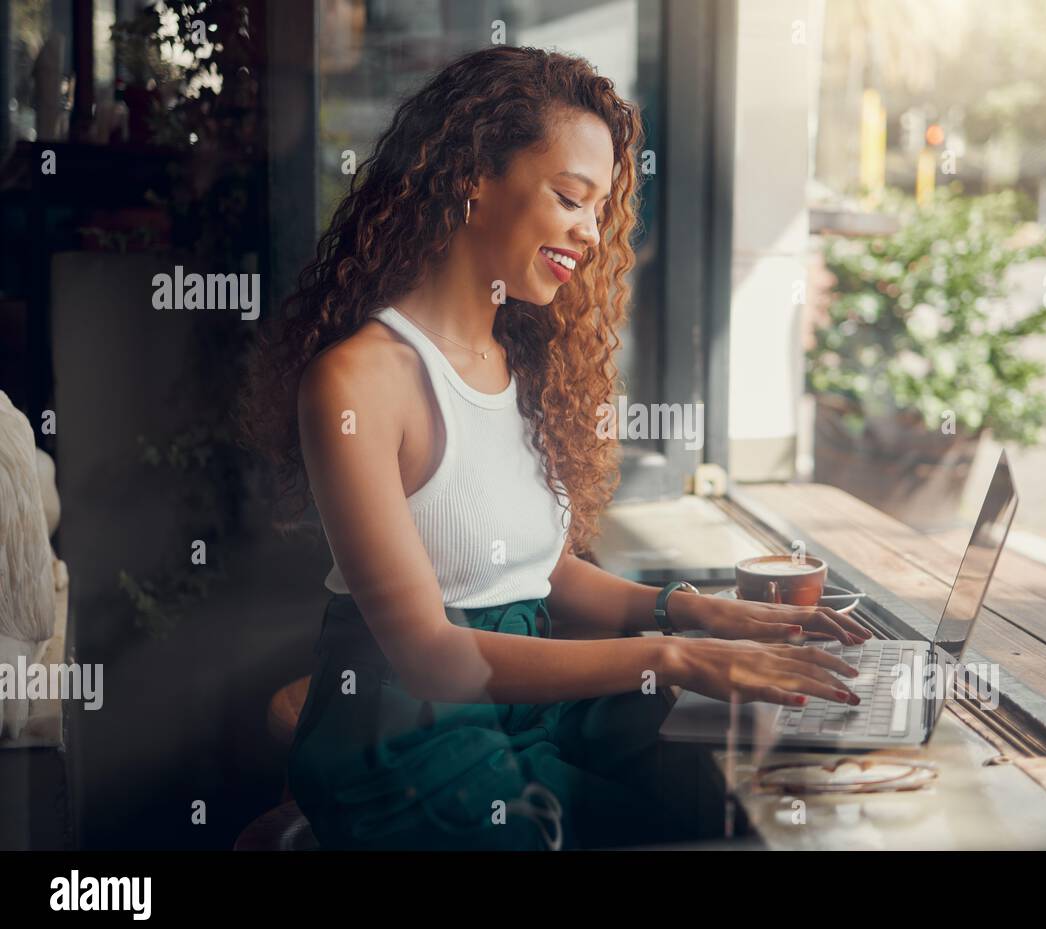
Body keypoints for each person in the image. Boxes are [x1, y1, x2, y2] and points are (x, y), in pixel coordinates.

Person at [237, 45, 869, 851]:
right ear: (471, 177)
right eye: (571, 198)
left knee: (738, 792)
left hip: (521, 716)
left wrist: (701, 614)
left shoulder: (520, 358)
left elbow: (541, 571)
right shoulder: (357, 382)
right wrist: (673, 656)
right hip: (408, 746)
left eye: (602, 208)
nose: (591, 233)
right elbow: (431, 656)